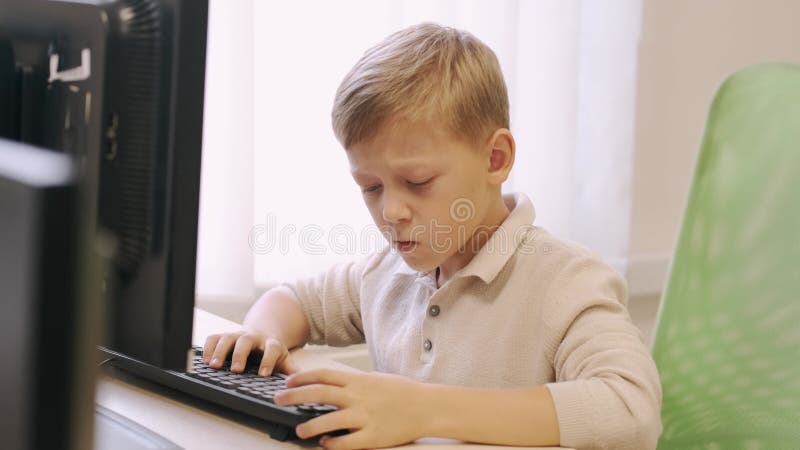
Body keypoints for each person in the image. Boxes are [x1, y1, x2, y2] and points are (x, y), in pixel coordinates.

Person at [204, 22, 662, 450]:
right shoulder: (389, 272)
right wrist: (260, 333)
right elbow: (295, 302)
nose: (391, 211)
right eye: (371, 187)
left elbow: (631, 408)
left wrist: (422, 408)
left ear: (496, 159)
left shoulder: (564, 283)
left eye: (418, 182)